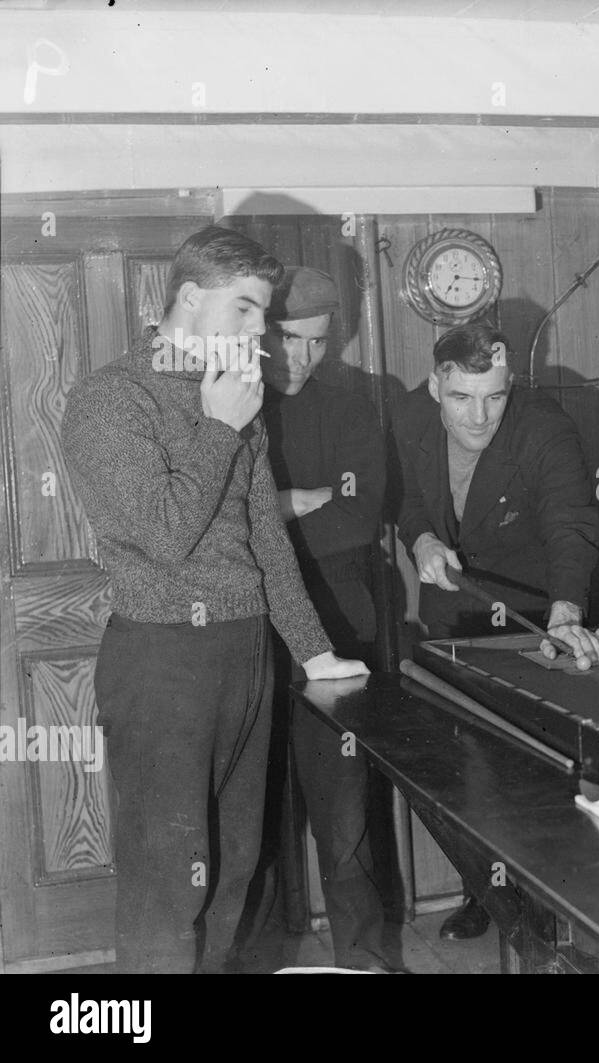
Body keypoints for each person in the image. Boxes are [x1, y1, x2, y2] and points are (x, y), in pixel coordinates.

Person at [61, 226, 367, 974]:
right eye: (244, 309)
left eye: (263, 313)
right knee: (169, 882)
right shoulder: (110, 396)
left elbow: (267, 538)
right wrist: (219, 429)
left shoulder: (236, 398)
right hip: (162, 661)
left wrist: (314, 650)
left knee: (233, 871)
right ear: (189, 300)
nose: (258, 331)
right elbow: (164, 533)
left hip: (247, 652)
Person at [392, 321, 599, 937]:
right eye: (462, 397)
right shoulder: (408, 419)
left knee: (531, 774)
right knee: (463, 768)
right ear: (437, 387)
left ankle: (545, 915)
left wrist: (567, 609)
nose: (480, 415)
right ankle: (484, 894)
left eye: (495, 396)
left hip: (533, 620)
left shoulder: (544, 427)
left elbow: (570, 520)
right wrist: (423, 537)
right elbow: (404, 499)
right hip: (451, 617)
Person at [248, 266, 393, 971]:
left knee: (345, 821)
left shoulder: (351, 411)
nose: (302, 358)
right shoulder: (233, 408)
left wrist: (269, 512)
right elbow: (221, 525)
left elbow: (359, 518)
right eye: (290, 340)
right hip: (252, 638)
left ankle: (363, 962)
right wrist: (299, 501)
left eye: (315, 342)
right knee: (257, 826)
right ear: (261, 333)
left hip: (336, 632)